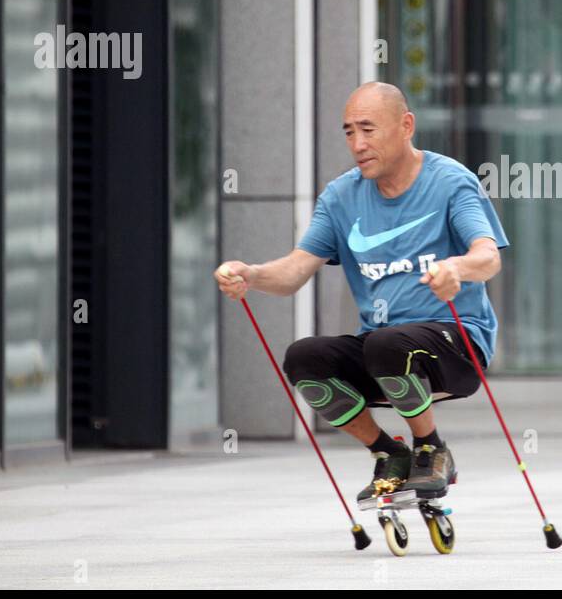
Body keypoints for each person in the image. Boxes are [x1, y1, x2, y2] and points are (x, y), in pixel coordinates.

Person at [215, 82, 508, 501]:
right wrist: (251, 274)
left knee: (387, 344)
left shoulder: (449, 181)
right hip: (384, 354)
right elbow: (295, 270)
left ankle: (431, 447)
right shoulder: (340, 197)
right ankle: (387, 451)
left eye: (368, 129)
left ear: (406, 125)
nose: (358, 143)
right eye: (349, 132)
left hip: (456, 347)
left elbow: (489, 256)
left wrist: (456, 267)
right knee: (304, 358)